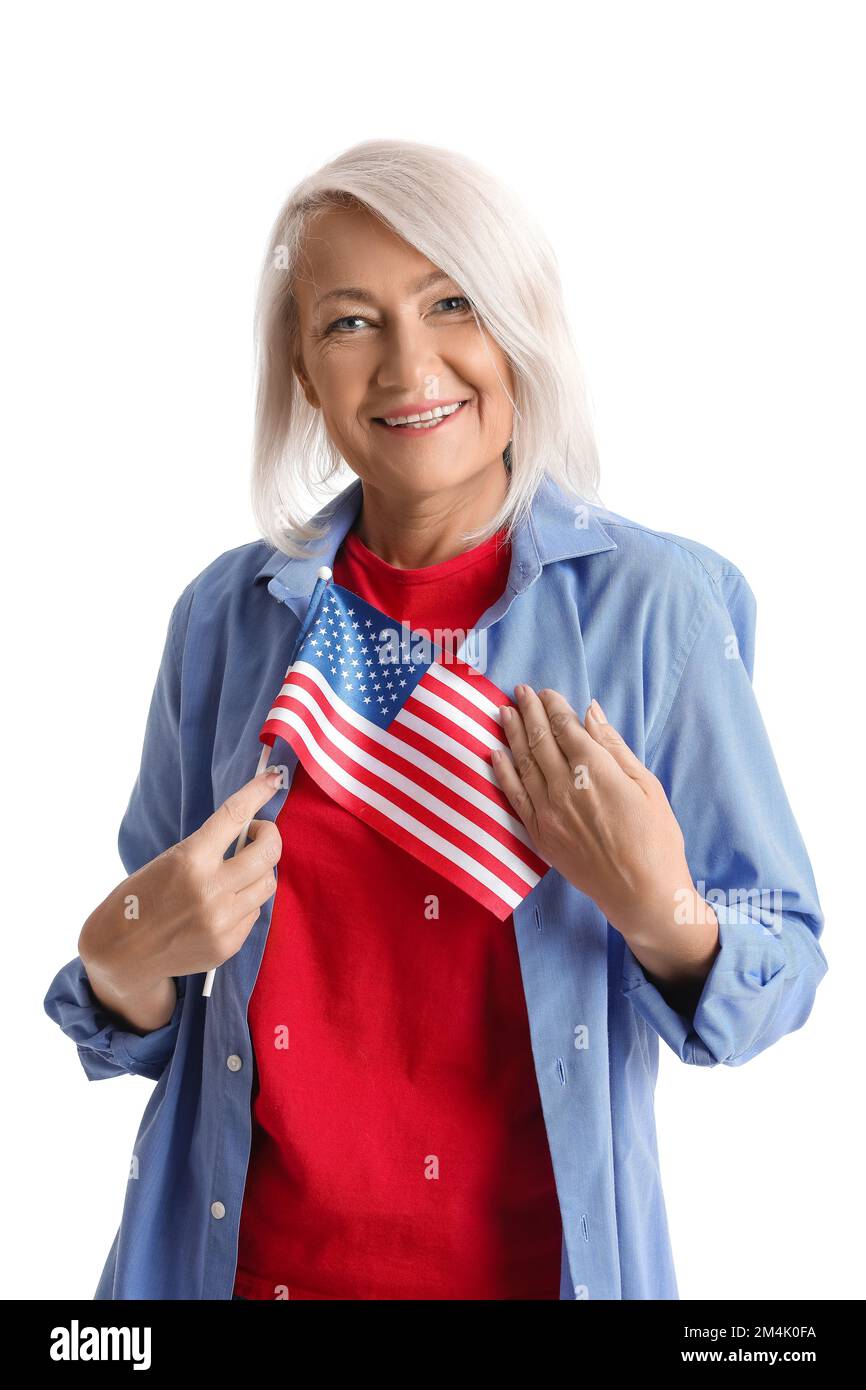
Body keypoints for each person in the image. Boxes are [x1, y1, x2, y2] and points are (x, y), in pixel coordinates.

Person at [43, 138, 828, 1300]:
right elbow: (153, 991)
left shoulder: (659, 607)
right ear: (303, 372)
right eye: (349, 322)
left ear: (518, 326)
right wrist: (113, 963)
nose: (410, 366)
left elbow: (780, 965)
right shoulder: (226, 616)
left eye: (451, 302)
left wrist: (654, 902)